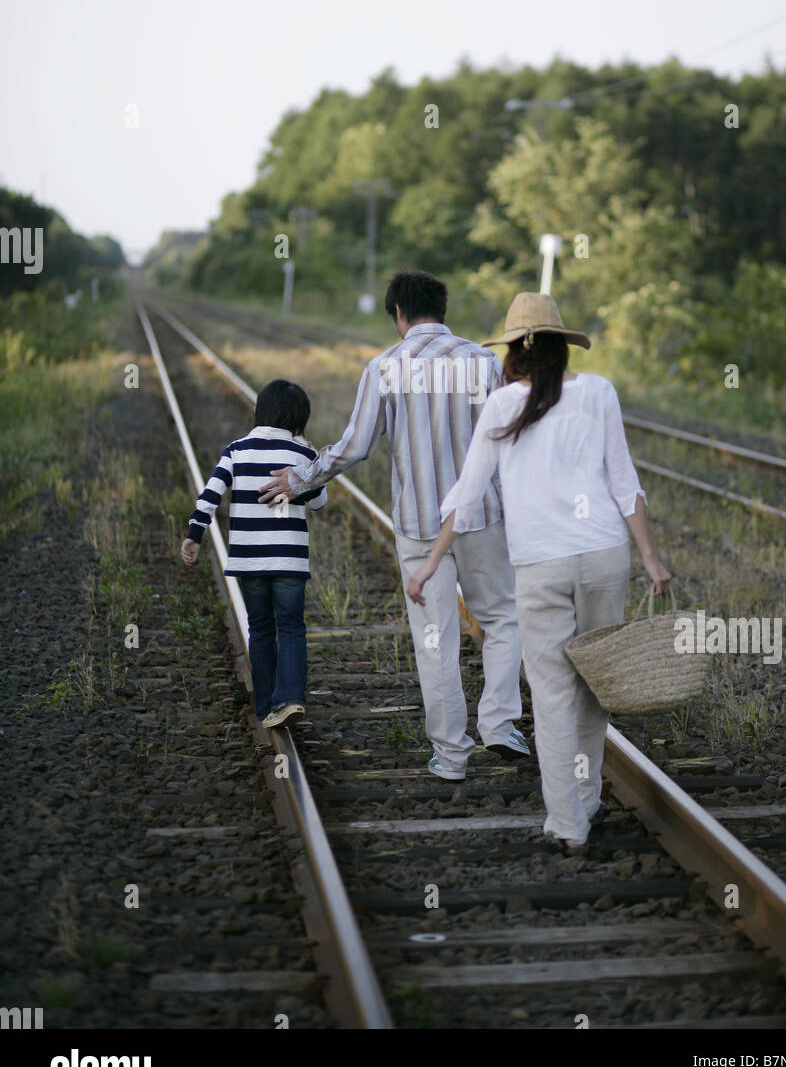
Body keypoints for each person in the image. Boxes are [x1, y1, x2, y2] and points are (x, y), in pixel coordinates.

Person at [406, 292, 671, 852]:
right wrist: (650, 557)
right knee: (596, 685)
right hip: (604, 556)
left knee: (551, 694)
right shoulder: (598, 392)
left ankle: (568, 824)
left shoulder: (502, 407)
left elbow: (467, 495)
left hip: (541, 566)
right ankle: (588, 796)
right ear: (560, 347)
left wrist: (432, 562)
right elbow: (626, 485)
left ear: (514, 354)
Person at [258, 269, 527, 781]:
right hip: (482, 515)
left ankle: (451, 757)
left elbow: (355, 446)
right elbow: (511, 437)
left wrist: (299, 477)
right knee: (501, 619)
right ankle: (498, 724)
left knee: (435, 640)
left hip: (419, 522)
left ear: (399, 315)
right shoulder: (484, 361)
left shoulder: (385, 367)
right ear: (441, 311)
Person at [181, 379, 327, 729]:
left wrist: (194, 534)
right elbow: (321, 502)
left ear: (257, 411)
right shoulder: (303, 455)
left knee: (261, 629)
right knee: (291, 626)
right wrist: (311, 456)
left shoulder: (236, 450)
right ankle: (290, 698)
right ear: (299, 418)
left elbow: (210, 495)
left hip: (249, 561)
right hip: (289, 559)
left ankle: (265, 708)